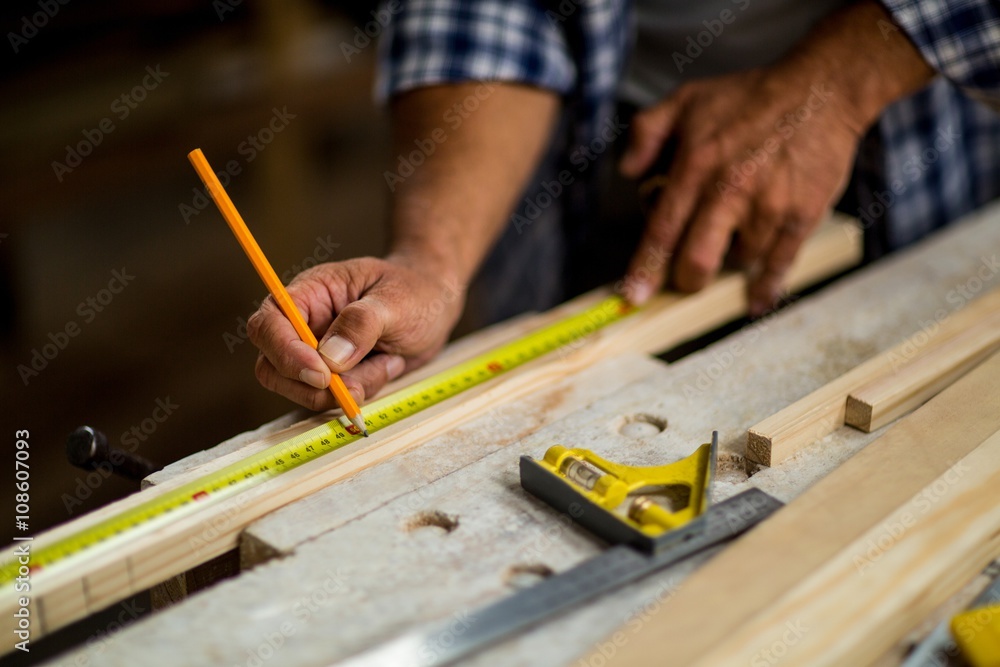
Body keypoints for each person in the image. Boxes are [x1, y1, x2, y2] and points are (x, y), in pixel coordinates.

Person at [247, 0, 1000, 411]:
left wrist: (844, 80)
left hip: (904, 131)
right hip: (606, 129)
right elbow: (487, 17)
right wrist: (432, 261)